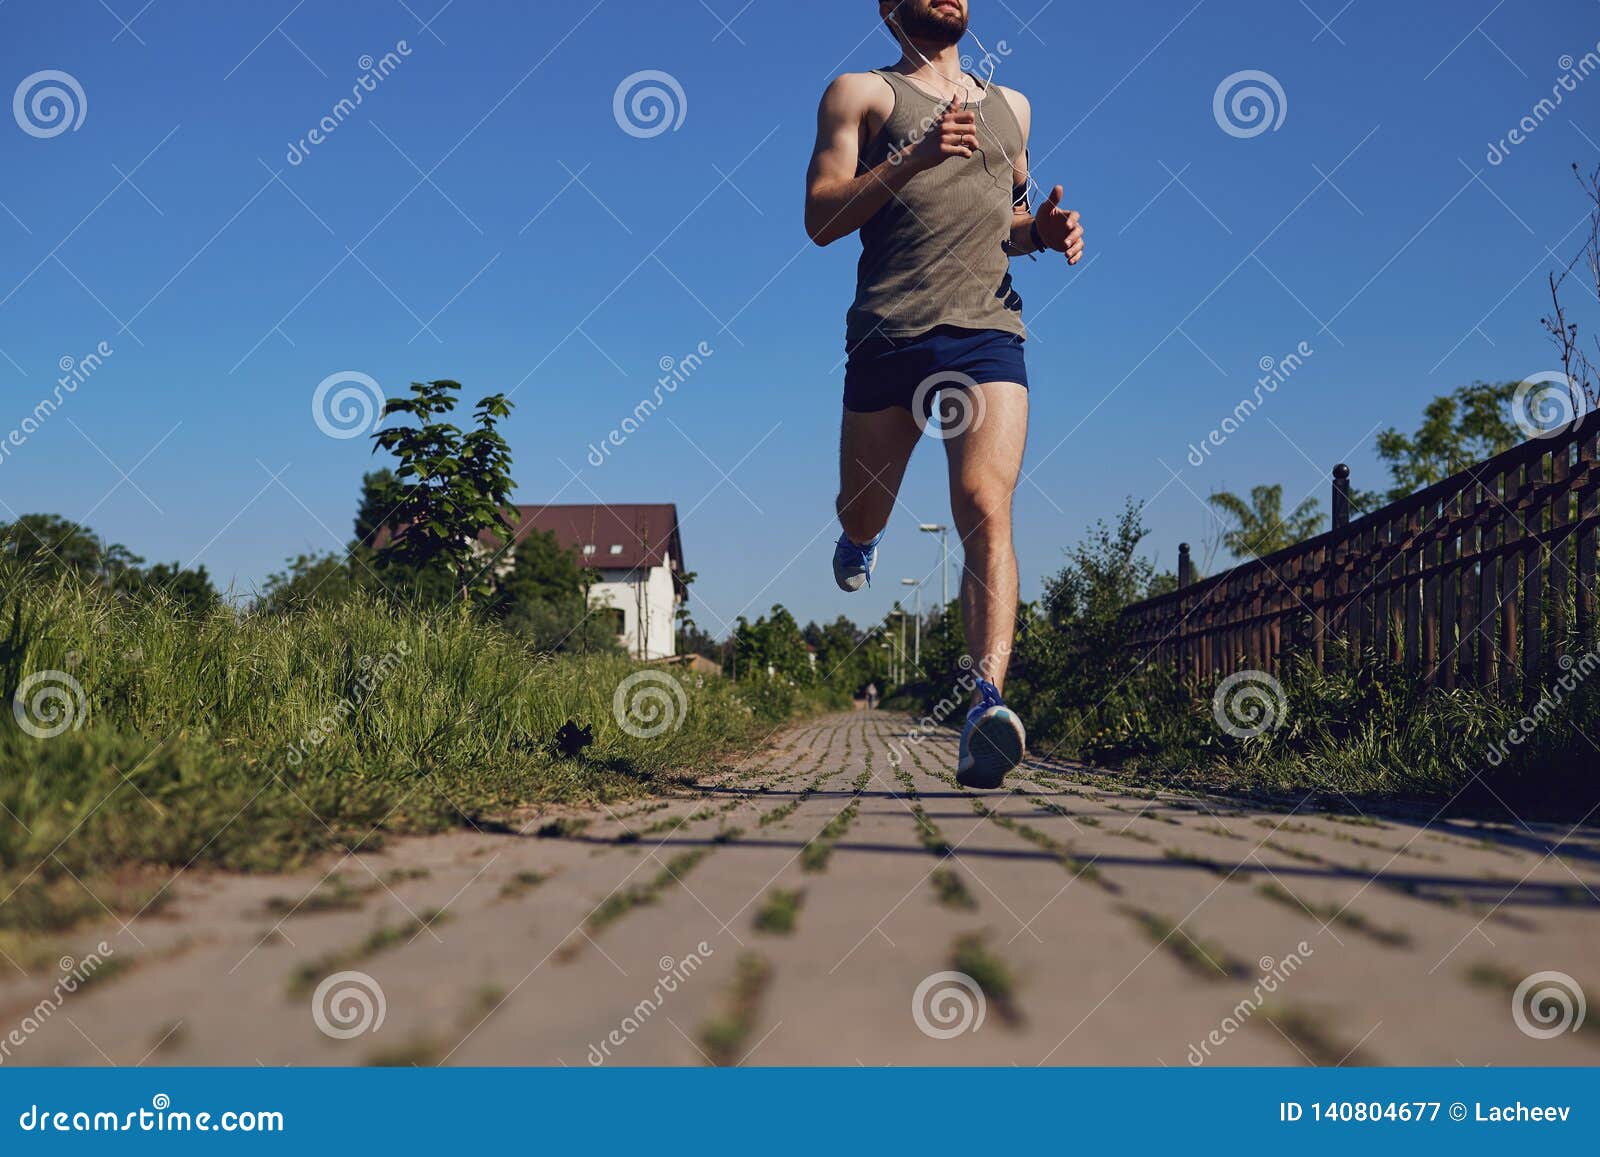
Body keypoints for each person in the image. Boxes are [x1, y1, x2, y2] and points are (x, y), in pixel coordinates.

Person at [804, 0, 1084, 788]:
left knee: (984, 504)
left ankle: (985, 706)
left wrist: (1044, 231)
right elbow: (820, 218)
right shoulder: (860, 93)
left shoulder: (1013, 107)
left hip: (985, 334)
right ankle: (858, 540)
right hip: (888, 335)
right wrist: (910, 161)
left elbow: (1009, 218)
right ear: (889, 7)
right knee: (864, 509)